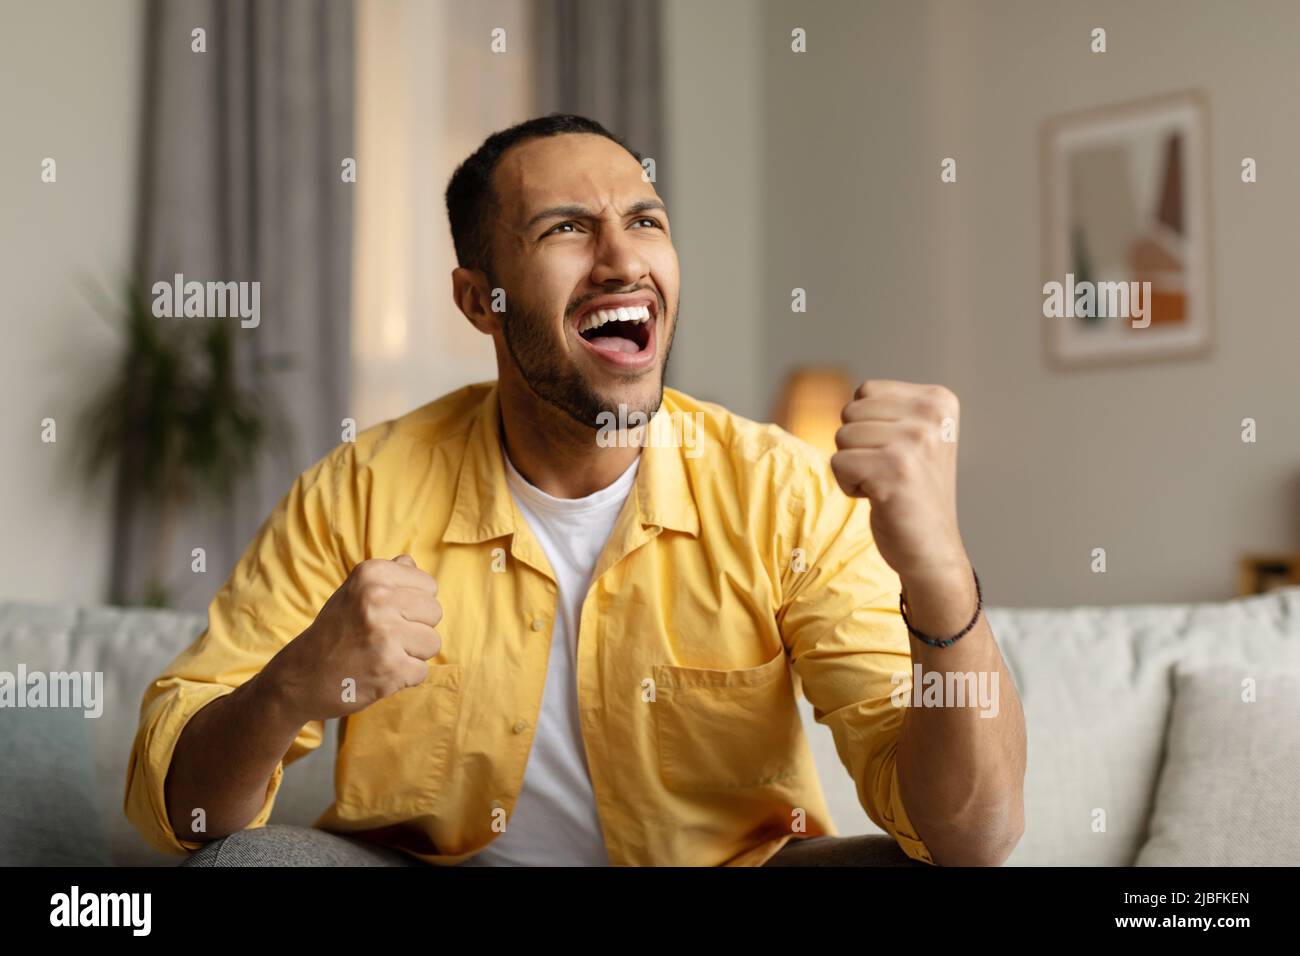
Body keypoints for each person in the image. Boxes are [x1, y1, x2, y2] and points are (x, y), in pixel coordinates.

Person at [125, 114, 1026, 867]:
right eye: (565, 229)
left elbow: (971, 835)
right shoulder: (359, 492)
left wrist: (940, 572)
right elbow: (186, 814)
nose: (621, 261)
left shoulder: (781, 491)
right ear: (482, 302)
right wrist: (287, 690)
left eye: (646, 221)